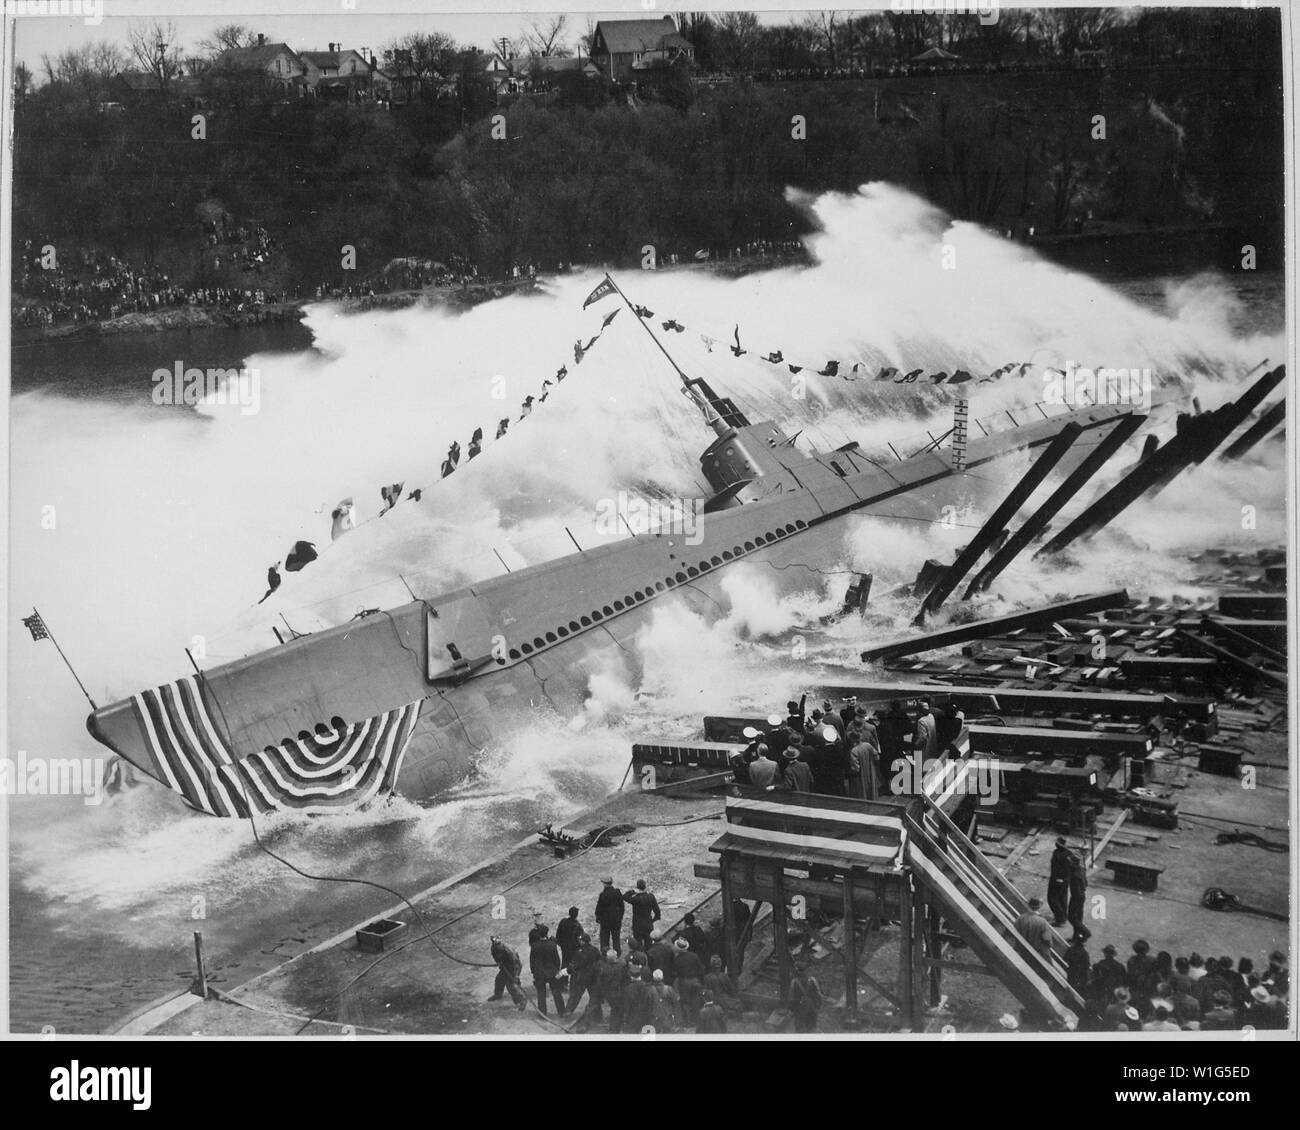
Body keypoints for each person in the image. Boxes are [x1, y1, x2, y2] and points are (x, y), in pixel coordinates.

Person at [589, 948, 629, 1032]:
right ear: (616, 957)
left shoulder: (604, 968)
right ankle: (615, 1030)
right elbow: (626, 980)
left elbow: (600, 982)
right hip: (618, 993)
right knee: (618, 1011)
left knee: (614, 1010)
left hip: (608, 994)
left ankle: (612, 1028)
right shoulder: (621, 966)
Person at [530, 929, 566, 1016]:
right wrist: (557, 970)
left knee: (541, 993)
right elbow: (557, 960)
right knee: (556, 991)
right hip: (552, 972)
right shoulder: (552, 945)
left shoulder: (534, 946)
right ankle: (561, 1011)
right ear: (546, 934)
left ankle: (542, 1013)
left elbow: (532, 961)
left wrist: (534, 972)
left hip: (540, 973)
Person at [566, 933, 601, 1018]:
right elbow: (599, 962)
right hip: (593, 977)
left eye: (581, 940)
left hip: (581, 977)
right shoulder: (595, 950)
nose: (579, 942)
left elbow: (574, 965)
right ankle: (598, 1016)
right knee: (594, 996)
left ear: (584, 942)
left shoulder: (579, 952)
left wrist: (569, 970)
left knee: (575, 996)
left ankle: (568, 1012)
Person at [672, 937, 707, 1024]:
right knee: (696, 1001)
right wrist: (702, 982)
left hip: (684, 981)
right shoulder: (694, 956)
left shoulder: (677, 959)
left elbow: (675, 972)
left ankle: (688, 1021)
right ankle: (696, 1020)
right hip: (695, 981)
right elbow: (701, 969)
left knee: (685, 1002)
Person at [488, 935, 528, 1010]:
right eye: (495, 944)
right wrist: (499, 963)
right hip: (505, 967)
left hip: (513, 967)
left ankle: (522, 1000)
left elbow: (516, 962)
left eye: (498, 944)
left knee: (512, 986)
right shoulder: (493, 948)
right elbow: (496, 957)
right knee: (499, 980)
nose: (497, 945)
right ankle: (498, 995)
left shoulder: (508, 949)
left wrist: (516, 976)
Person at [623, 879, 661, 948]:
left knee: (638, 943)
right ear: (645, 886)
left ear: (637, 887)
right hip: (648, 922)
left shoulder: (635, 899)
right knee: (649, 943)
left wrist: (633, 891)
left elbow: (625, 896)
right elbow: (657, 912)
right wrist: (653, 920)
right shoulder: (651, 897)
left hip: (637, 923)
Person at [1013, 897, 1053, 961]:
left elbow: (1014, 932)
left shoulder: (1020, 918)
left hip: (1021, 951)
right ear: (1039, 906)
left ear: (1029, 905)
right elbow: (1047, 939)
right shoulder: (1042, 922)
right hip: (1037, 953)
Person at [622, 967, 658, 1033]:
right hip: (645, 1016)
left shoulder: (628, 988)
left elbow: (627, 1005)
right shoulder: (648, 987)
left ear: (631, 976)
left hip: (633, 1017)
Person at [788, 965, 823, 1032]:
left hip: (800, 1007)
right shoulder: (812, 980)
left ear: (798, 971)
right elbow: (818, 994)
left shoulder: (794, 982)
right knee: (811, 1027)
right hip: (812, 1006)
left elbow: (791, 997)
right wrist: (819, 1005)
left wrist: (792, 1008)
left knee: (799, 1028)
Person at [595, 877, 624, 954]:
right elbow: (622, 907)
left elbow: (598, 909)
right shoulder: (617, 892)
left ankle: (605, 955)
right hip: (616, 921)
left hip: (605, 922)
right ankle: (617, 955)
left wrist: (598, 918)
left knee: (604, 939)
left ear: (604, 884)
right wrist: (620, 917)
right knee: (616, 939)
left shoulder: (603, 895)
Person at [1048, 837, 1073, 926]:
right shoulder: (1069, 854)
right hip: (1064, 880)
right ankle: (1062, 917)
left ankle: (1060, 919)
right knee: (1062, 898)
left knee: (1052, 899)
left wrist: (1059, 879)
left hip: (1057, 880)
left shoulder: (1058, 854)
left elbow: (1061, 868)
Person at [1066, 854, 1091, 942]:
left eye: (1070, 862)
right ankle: (1076, 937)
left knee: (1071, 917)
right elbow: (1086, 883)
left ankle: (1086, 932)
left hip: (1077, 897)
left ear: (1073, 864)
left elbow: (1076, 890)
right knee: (1078, 917)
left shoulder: (1075, 875)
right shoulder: (1081, 870)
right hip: (1081, 895)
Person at [650, 968, 681, 1032]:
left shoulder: (650, 990)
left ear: (653, 979)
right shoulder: (669, 989)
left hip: (654, 1022)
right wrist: (677, 1021)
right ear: (663, 977)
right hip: (668, 1021)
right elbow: (676, 1006)